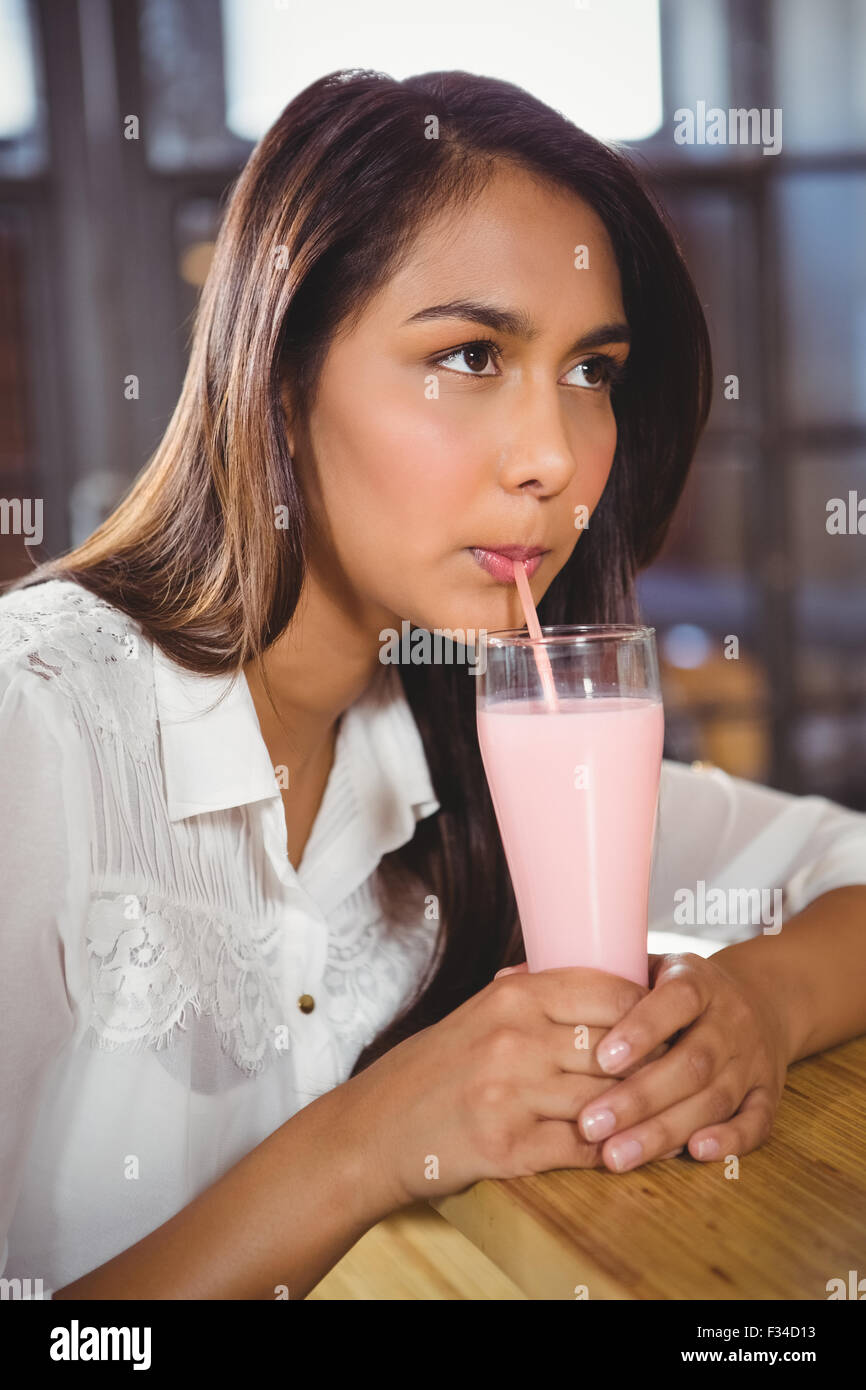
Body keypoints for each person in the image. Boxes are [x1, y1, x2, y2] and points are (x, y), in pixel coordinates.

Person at [1, 69, 864, 1301]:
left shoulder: (485, 733)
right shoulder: (33, 723)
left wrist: (756, 1009)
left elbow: (848, 870)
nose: (553, 460)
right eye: (469, 354)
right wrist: (373, 1135)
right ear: (281, 374)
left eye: (592, 370)